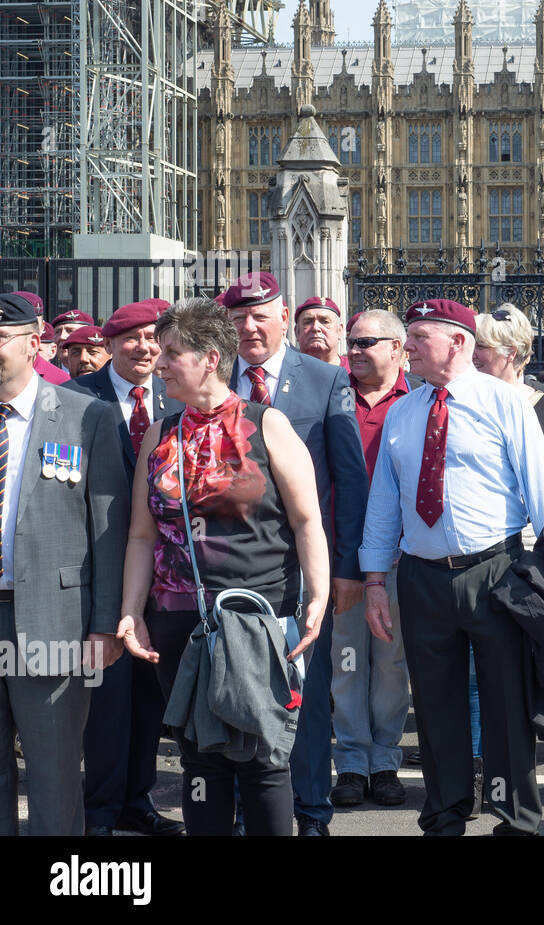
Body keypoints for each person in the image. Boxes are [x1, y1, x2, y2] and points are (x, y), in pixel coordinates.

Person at [361, 298, 544, 836]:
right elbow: (385, 503)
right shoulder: (405, 413)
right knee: (435, 707)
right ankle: (445, 811)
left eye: (418, 336)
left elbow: (541, 492)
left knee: (507, 703)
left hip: (496, 571)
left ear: (457, 343)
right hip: (422, 576)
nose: (406, 346)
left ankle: (515, 818)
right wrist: (373, 581)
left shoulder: (505, 402)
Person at [118, 297, 330, 836]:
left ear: (210, 358)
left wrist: (317, 600)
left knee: (261, 756)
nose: (158, 363)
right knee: (199, 759)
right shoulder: (158, 436)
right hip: (178, 620)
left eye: (171, 352)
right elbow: (142, 536)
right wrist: (131, 612)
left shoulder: (268, 425)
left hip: (254, 617)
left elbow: (308, 522)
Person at [221, 271, 368, 837]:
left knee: (302, 696)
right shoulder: (217, 381)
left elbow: (349, 481)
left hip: (301, 569)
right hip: (227, 568)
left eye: (260, 316)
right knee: (232, 691)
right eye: (238, 320)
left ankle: (310, 811)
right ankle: (241, 811)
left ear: (285, 318)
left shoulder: (326, 380)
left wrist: (349, 568)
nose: (250, 328)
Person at [0, 293, 127, 836]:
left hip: (53, 622)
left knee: (53, 774)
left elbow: (109, 531)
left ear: (33, 344)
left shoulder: (86, 417)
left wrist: (104, 624)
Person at [72, 300, 184, 837]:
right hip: (100, 571)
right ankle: (99, 811)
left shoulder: (176, 396)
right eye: (132, 338)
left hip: (166, 574)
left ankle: (138, 800)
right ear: (110, 343)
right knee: (105, 702)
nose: (144, 348)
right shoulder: (74, 398)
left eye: (153, 339)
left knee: (149, 698)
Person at [471, 303, 544, 801]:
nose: (473, 355)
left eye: (483, 348)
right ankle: (478, 766)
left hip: (534, 559)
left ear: (515, 354)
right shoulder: (460, 400)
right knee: (478, 673)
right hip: (482, 554)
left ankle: (515, 766)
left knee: (519, 667)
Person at [326, 309, 418, 811]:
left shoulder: (420, 399)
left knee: (390, 661)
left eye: (367, 342)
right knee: (346, 661)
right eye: (352, 343)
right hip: (343, 554)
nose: (355, 351)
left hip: (401, 555)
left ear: (397, 349)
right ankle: (352, 762)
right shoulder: (333, 396)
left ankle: (385, 759)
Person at [13, 291, 71, 384]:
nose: (29, 330)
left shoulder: (60, 379)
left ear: (42, 327)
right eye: (21, 323)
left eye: (35, 324)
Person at [296, 296, 346, 369]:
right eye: (308, 322)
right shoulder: (283, 371)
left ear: (339, 331)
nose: (315, 327)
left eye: (325, 322)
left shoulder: (355, 372)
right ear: (297, 332)